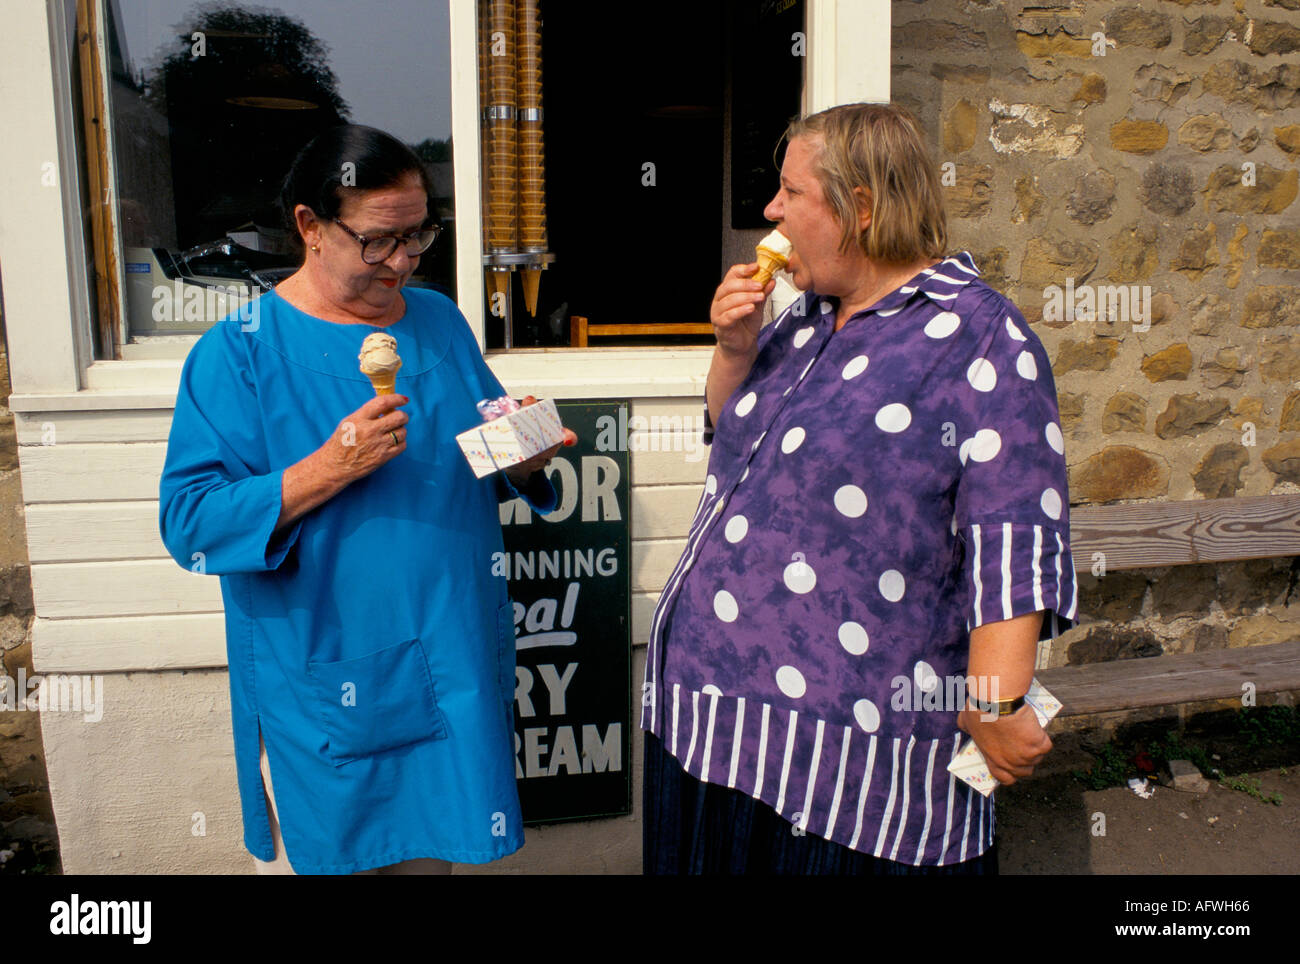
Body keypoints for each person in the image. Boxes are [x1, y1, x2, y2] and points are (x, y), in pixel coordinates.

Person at [641, 103, 1079, 874]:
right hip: (710, 722)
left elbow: (1013, 534)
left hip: (844, 763)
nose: (770, 212)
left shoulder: (980, 339)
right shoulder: (806, 320)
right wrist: (734, 349)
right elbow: (736, 440)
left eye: (791, 193)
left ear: (862, 209)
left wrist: (997, 703)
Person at [159, 125, 570, 874]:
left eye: (419, 236)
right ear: (311, 227)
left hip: (452, 654)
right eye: (380, 241)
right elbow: (191, 523)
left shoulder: (437, 318)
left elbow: (479, 441)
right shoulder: (240, 351)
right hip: (325, 672)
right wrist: (325, 468)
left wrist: (527, 454)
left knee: (433, 862)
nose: (405, 261)